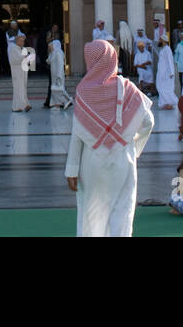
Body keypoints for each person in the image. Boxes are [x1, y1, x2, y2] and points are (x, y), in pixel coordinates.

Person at [64, 40, 154, 237]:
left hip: (92, 161)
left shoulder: (84, 90)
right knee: (123, 210)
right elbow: (148, 122)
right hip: (123, 158)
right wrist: (131, 144)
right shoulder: (127, 88)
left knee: (92, 213)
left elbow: (78, 132)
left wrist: (71, 169)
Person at [8, 34, 35, 112]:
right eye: (21, 41)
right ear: (17, 41)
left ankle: (20, 106)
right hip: (17, 71)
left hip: (23, 71)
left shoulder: (22, 48)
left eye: (23, 41)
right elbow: (14, 60)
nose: (22, 43)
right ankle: (23, 105)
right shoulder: (13, 49)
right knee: (18, 88)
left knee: (23, 88)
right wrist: (25, 57)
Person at [46, 40, 71, 108]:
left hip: (58, 75)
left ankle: (67, 100)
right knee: (55, 90)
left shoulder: (58, 52)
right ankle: (58, 104)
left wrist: (59, 75)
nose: (50, 47)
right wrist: (50, 52)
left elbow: (60, 65)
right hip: (54, 75)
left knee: (59, 90)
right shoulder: (53, 53)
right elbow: (48, 61)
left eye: (51, 46)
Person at [155, 36, 177, 110]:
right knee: (160, 87)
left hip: (167, 73)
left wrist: (171, 72)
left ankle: (170, 103)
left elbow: (170, 61)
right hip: (161, 73)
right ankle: (166, 103)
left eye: (160, 39)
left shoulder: (167, 49)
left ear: (163, 40)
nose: (159, 41)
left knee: (166, 89)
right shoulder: (163, 49)